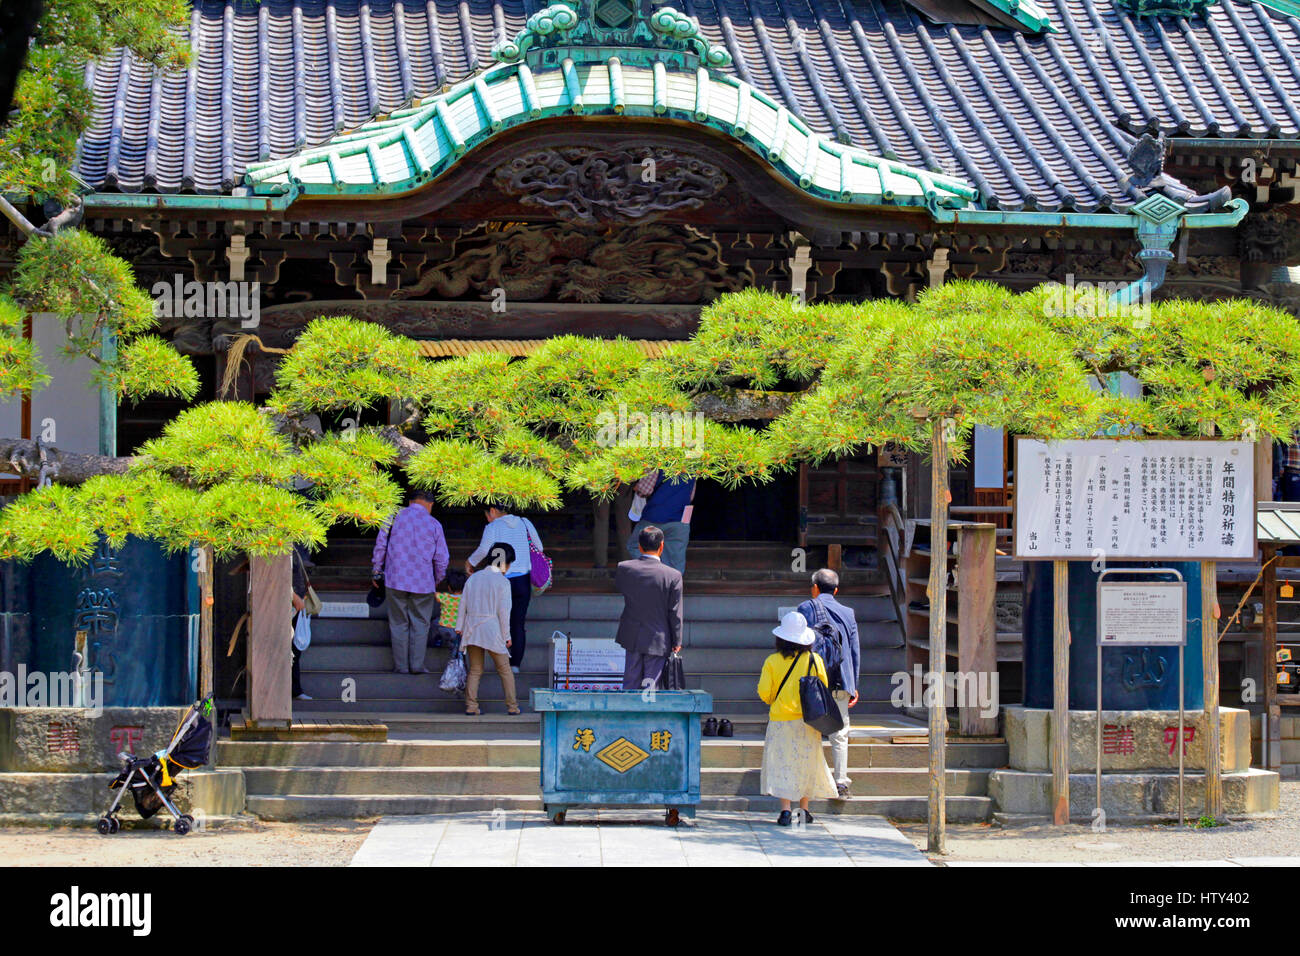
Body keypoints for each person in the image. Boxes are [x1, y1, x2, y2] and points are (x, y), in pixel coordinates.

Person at [758, 611, 837, 826]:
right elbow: (823, 688)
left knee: (783, 764)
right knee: (806, 763)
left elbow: (765, 693)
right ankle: (804, 810)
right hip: (809, 721)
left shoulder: (772, 661)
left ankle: (785, 811)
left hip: (781, 720)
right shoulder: (815, 659)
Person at [797, 568, 861, 797]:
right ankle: (840, 781)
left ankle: (809, 779)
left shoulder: (806, 608)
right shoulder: (849, 613)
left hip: (813, 678)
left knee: (810, 728)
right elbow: (854, 651)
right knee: (840, 732)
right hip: (840, 678)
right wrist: (852, 684)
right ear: (836, 590)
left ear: (814, 588)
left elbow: (798, 643)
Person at [372, 490, 450, 674]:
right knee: (421, 623)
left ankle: (401, 667)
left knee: (398, 622)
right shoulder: (434, 524)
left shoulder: (393, 517)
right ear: (430, 504)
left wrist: (376, 571)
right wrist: (437, 578)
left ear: (410, 501)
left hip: (395, 578)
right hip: (423, 582)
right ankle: (416, 665)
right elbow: (442, 558)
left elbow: (381, 545)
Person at [465, 504, 543, 673]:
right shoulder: (525, 522)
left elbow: (484, 549)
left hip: (500, 579)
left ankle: (497, 661)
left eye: (487, 515)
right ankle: (515, 665)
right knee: (518, 623)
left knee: (495, 619)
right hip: (522, 579)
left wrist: (470, 562)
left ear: (492, 511)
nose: (488, 518)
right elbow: (540, 547)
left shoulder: (493, 526)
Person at [614, 525, 684, 691]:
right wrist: (677, 639)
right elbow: (675, 612)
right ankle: (648, 716)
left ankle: (628, 715)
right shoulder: (673, 575)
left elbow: (621, 588)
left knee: (630, 683)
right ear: (661, 546)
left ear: (639, 546)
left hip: (631, 633)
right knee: (650, 688)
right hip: (659, 636)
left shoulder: (624, 568)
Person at [457, 543, 520, 716]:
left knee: (475, 670)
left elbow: (463, 604)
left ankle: (471, 706)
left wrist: (459, 626)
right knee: (505, 670)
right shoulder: (502, 582)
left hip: (472, 628)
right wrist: (507, 636)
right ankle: (512, 706)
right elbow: (504, 612)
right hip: (492, 629)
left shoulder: (474, 578)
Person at [626, 469, 694, 574]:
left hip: (655, 515)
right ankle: (672, 586)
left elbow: (645, 490)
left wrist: (636, 487)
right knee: (676, 559)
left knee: (634, 545)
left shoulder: (658, 462)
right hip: (681, 517)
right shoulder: (693, 465)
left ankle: (653, 574)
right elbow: (691, 495)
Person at [290, 543, 314, 702]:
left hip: (297, 597)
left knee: (295, 648)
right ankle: (292, 689)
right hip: (288, 600)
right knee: (289, 648)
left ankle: (295, 689)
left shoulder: (299, 542)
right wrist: (293, 596)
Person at [432, 569, 467, 648]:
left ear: (449, 587)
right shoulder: (466, 599)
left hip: (444, 627)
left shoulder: (445, 597)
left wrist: (433, 584)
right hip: (459, 629)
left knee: (434, 623)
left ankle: (438, 640)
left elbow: (434, 593)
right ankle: (455, 642)